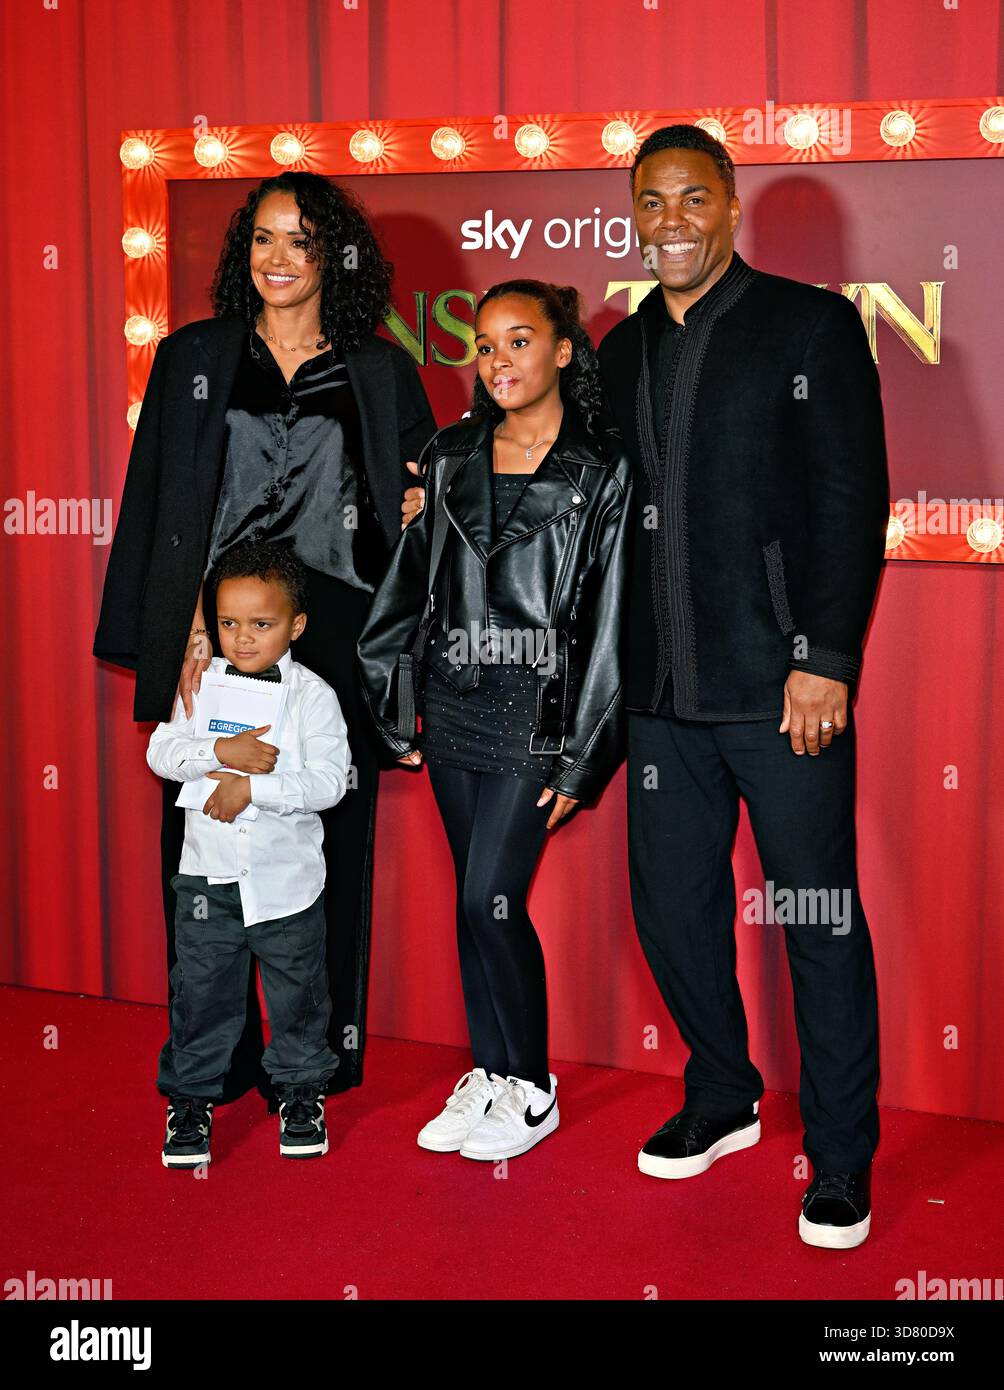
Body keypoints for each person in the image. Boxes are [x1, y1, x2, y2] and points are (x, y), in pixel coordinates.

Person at [597, 125, 889, 1248]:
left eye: (690, 198)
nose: (668, 219)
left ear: (728, 206)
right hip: (661, 700)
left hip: (781, 693)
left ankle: (841, 1157)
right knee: (670, 909)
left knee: (814, 919)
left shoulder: (808, 325)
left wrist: (824, 658)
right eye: (649, 200)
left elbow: (846, 502)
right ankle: (721, 1092)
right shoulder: (618, 350)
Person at [94, 171, 437, 1109]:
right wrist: (173, 636)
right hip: (218, 633)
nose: (279, 260)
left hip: (335, 633)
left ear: (335, 259)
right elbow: (156, 499)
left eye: (301, 241)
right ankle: (217, 1058)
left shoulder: (377, 369)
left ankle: (313, 1062)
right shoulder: (193, 356)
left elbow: (422, 499)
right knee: (211, 839)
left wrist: (418, 501)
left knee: (328, 843)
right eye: (263, 240)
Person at [358, 280, 632, 1162]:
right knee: (471, 903)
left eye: (520, 341)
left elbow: (616, 626)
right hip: (453, 704)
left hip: (540, 716)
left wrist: (579, 758)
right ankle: (489, 1074)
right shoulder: (448, 455)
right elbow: (409, 585)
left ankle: (534, 1087)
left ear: (562, 352)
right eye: (484, 345)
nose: (499, 360)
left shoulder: (604, 470)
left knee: (492, 897)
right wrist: (394, 699)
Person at [147, 540, 351, 1165]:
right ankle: (191, 1102)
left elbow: (329, 782)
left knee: (298, 994)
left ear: (296, 625)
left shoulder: (314, 696)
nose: (242, 639)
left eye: (261, 625)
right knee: (201, 992)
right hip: (206, 882)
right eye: (229, 623)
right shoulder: (198, 684)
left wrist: (252, 788)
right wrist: (219, 756)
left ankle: (299, 1093)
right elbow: (162, 754)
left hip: (286, 884)